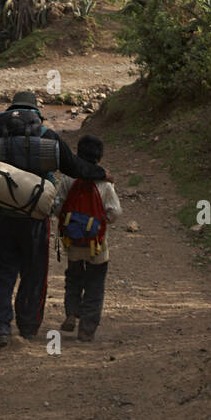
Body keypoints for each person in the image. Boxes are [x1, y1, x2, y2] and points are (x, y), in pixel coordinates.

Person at [0, 91, 112, 350]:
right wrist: (102, 174)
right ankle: (28, 329)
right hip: (36, 219)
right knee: (34, 274)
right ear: (36, 113)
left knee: (0, 274)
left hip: (2, 218)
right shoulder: (47, 136)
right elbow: (74, 167)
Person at [52, 135, 121, 342]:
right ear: (99, 158)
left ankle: (72, 313)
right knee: (95, 284)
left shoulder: (67, 179)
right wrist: (102, 222)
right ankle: (87, 329)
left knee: (73, 278)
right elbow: (115, 212)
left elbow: (57, 206)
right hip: (97, 245)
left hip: (73, 243)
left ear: (78, 154)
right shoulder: (105, 184)